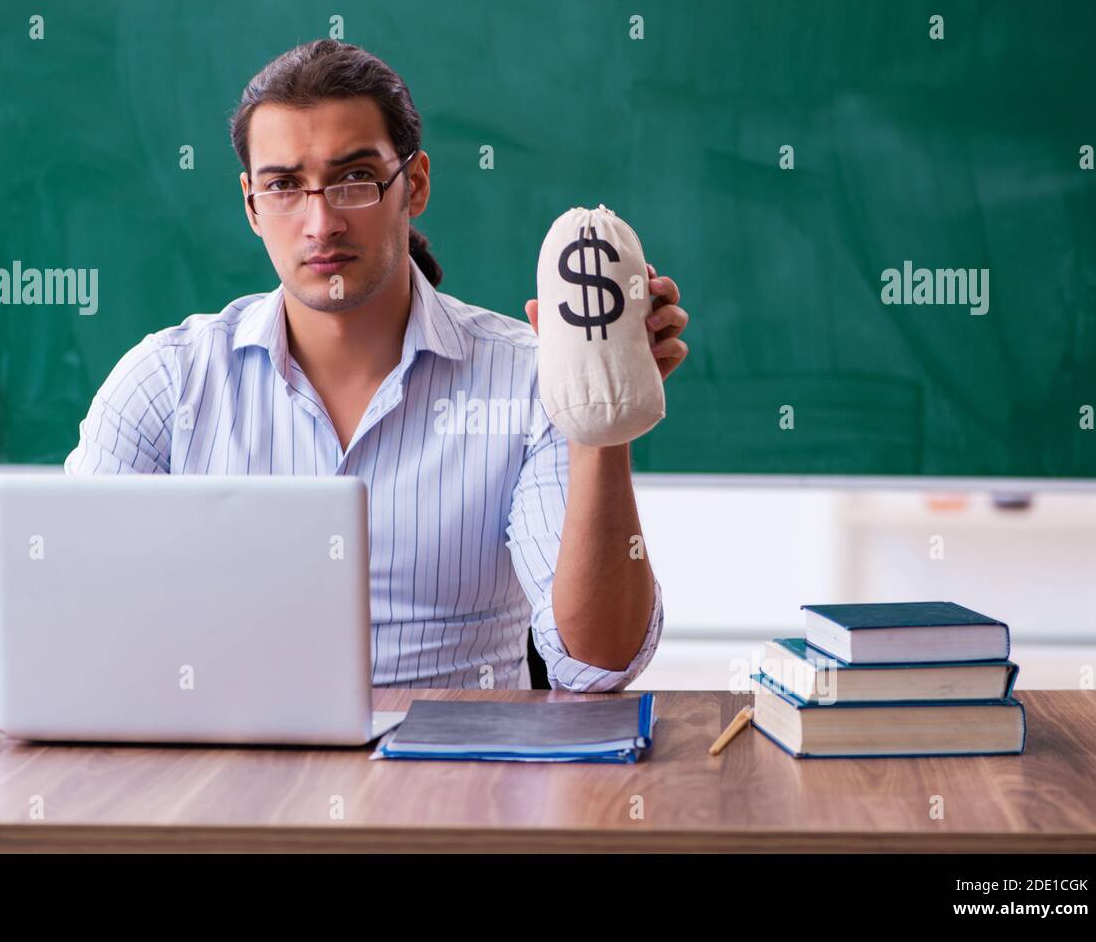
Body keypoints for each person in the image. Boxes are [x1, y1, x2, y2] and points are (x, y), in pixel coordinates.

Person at [65, 40, 689, 692]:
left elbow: (595, 664)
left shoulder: (529, 381)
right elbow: (68, 616)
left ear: (413, 184)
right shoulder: (165, 384)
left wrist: (597, 415)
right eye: (284, 186)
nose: (321, 223)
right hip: (226, 749)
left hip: (456, 754)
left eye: (355, 179)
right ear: (251, 204)